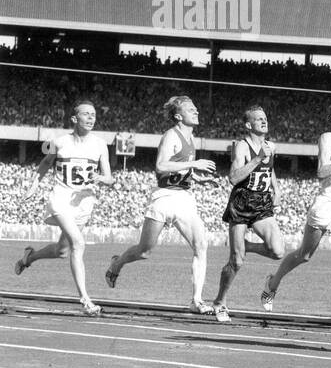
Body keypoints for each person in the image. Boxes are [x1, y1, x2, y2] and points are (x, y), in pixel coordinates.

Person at [105, 95, 219, 312]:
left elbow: (179, 168)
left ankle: (196, 300)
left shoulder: (190, 138)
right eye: (191, 109)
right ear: (178, 116)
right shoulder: (171, 135)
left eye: (196, 108)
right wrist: (195, 163)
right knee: (144, 251)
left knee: (201, 246)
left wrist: (197, 177)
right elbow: (161, 166)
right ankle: (117, 263)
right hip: (164, 198)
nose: (196, 111)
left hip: (184, 198)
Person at [260, 98, 331, 313]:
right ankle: (272, 283)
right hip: (327, 201)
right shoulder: (327, 138)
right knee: (304, 255)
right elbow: (322, 172)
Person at [14, 101, 116, 315]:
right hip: (60, 199)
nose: (91, 118)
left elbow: (109, 178)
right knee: (79, 244)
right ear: (74, 119)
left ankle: (28, 257)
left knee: (63, 251)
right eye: (86, 114)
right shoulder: (59, 143)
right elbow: (44, 164)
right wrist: (33, 186)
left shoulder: (99, 145)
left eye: (94, 114)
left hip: (84, 202)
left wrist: (100, 178)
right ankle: (86, 300)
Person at [211, 105, 286, 323]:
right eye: (258, 119)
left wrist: (277, 188)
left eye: (265, 118)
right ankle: (220, 302)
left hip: (262, 202)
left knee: (278, 251)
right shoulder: (241, 147)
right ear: (248, 124)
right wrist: (257, 159)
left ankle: (245, 245)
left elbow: (270, 169)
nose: (264, 121)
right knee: (236, 261)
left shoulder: (271, 145)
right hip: (242, 202)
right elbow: (233, 178)